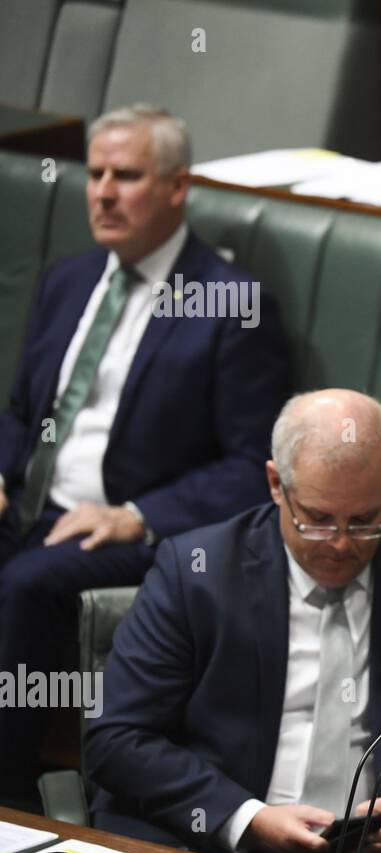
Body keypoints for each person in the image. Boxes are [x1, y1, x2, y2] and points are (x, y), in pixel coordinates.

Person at [0, 104, 289, 805]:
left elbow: (252, 464)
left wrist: (136, 515)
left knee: (26, 584)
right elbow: (20, 414)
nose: (102, 191)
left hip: (128, 527)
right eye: (95, 173)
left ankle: (7, 798)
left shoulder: (232, 305)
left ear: (176, 186)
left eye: (125, 176)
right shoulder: (68, 280)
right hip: (29, 507)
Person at [84, 391, 381, 853]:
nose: (342, 545)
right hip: (214, 847)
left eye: (365, 521)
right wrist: (247, 818)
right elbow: (116, 739)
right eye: (318, 520)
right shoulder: (195, 571)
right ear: (276, 484)